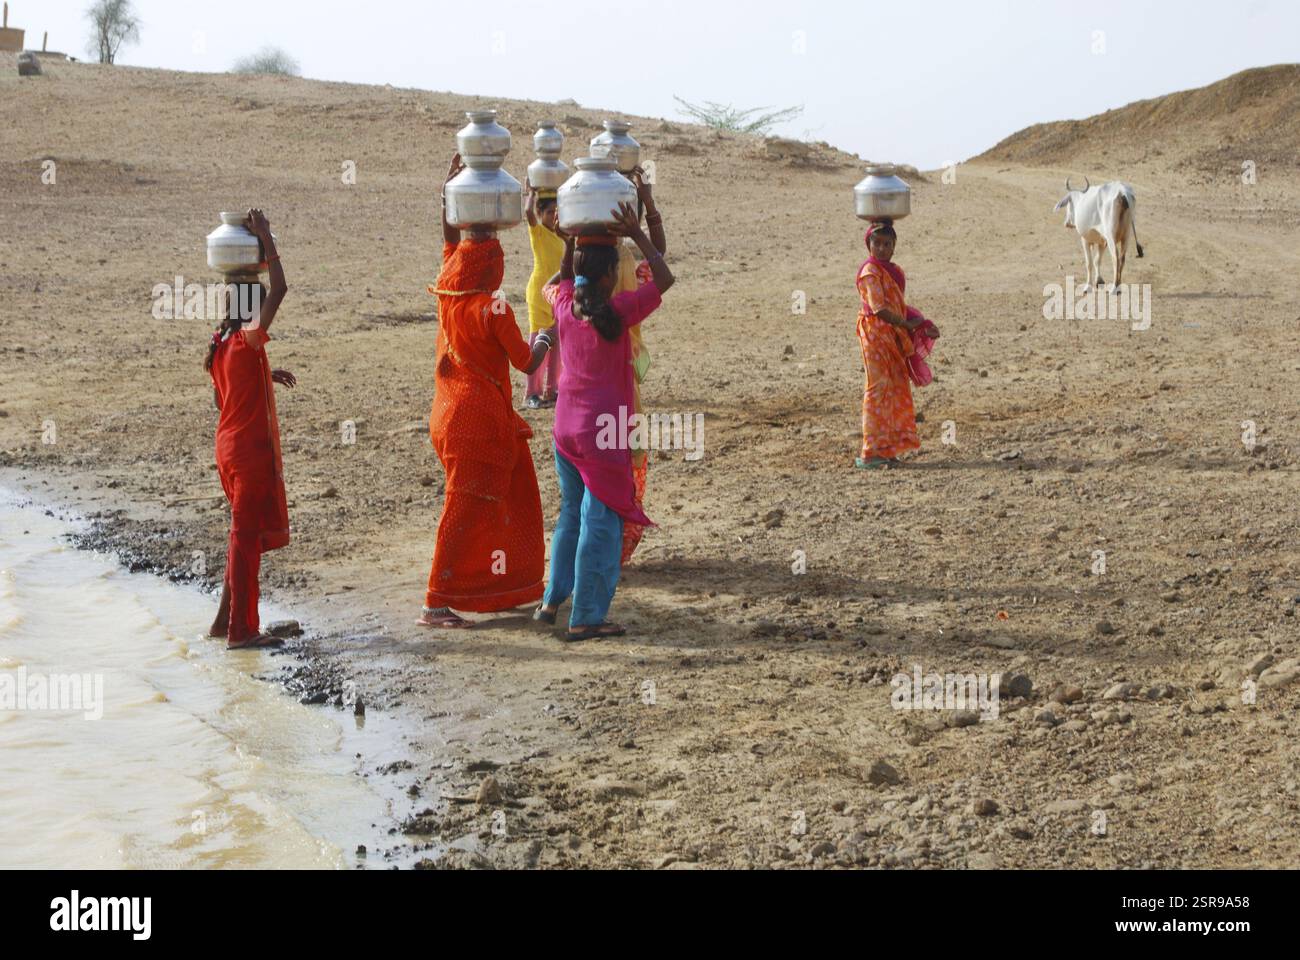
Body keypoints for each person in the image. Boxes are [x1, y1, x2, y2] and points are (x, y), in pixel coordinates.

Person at [419, 153, 556, 629]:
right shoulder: (493, 308)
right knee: (464, 509)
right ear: (492, 268)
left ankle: (502, 586)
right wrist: (545, 337)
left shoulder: (448, 290)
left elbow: (449, 241)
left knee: (508, 495)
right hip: (478, 425)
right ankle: (437, 600)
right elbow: (526, 362)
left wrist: (450, 194)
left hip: (449, 416)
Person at [535, 201, 675, 640]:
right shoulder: (618, 313)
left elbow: (558, 281)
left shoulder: (563, 306)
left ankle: (552, 600)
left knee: (570, 513)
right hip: (604, 433)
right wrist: (636, 233)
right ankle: (586, 618)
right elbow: (665, 278)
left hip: (565, 428)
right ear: (612, 274)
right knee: (602, 521)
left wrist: (568, 243)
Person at [205, 208, 295, 650]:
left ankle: (225, 619)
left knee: (242, 537)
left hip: (227, 449)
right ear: (250, 308)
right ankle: (241, 632)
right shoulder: (246, 340)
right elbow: (281, 289)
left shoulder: (222, 344)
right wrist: (267, 241)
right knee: (244, 542)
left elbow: (225, 395)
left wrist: (266, 373)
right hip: (248, 454)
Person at [854, 220, 938, 470]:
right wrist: (906, 324)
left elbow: (898, 306)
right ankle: (870, 451)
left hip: (892, 336)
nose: (881, 248)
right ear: (868, 245)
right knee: (878, 388)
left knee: (893, 387)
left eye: (886, 244)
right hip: (875, 336)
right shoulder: (870, 272)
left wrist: (922, 324)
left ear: (894, 247)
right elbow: (879, 309)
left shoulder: (892, 271)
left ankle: (888, 448)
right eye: (876, 243)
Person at [614, 166, 665, 563]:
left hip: (598, 387)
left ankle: (604, 548)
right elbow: (661, 267)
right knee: (627, 454)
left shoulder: (588, 263)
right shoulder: (624, 260)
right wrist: (645, 210)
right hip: (622, 382)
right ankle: (616, 545)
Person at [523, 183, 566, 409]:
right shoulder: (538, 233)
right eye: (549, 212)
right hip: (539, 293)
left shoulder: (562, 235)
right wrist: (531, 193)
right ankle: (532, 393)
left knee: (557, 341)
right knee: (538, 341)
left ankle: (552, 390)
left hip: (556, 294)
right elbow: (528, 213)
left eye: (556, 211)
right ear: (541, 214)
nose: (553, 216)